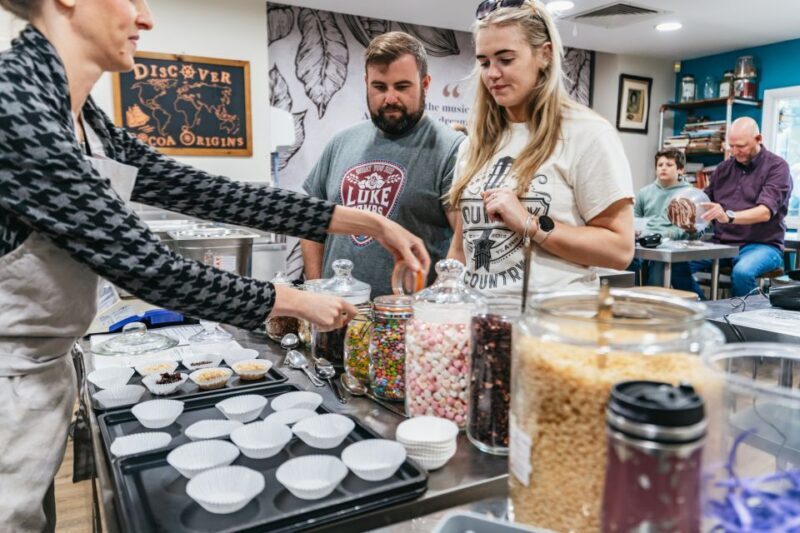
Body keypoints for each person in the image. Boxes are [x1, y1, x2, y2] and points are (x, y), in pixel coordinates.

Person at [0, 2, 429, 530]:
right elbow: (146, 265)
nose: (146, 18)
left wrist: (368, 222)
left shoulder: (81, 118)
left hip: (35, 379)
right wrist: (293, 300)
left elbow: (209, 193)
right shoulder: (14, 103)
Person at [447, 0, 634, 303]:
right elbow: (460, 247)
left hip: (554, 328)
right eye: (484, 62)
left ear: (544, 55)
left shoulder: (586, 134)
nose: (492, 73)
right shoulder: (475, 143)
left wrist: (529, 223)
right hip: (482, 326)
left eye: (505, 59)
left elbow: (620, 250)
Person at [301, 31, 464, 297]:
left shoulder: (452, 149)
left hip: (406, 321)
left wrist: (433, 312)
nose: (390, 98)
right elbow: (310, 223)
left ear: (425, 83)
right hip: (334, 317)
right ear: (366, 83)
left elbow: (462, 246)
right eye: (379, 87)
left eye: (402, 87)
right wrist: (316, 288)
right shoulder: (340, 143)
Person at [672, 117, 793, 298]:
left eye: (741, 146)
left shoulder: (777, 167)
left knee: (742, 273)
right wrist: (685, 209)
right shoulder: (723, 168)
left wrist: (728, 216)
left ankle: (746, 324)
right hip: (722, 243)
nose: (735, 151)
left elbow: (764, 212)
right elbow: (705, 202)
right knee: (676, 264)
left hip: (763, 245)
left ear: (758, 139)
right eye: (731, 146)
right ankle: (706, 312)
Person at [629, 148, 695, 286]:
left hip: (671, 245)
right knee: (626, 258)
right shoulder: (645, 192)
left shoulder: (689, 194)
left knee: (659, 263)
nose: (663, 168)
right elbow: (634, 220)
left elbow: (692, 229)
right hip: (644, 241)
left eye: (669, 165)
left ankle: (653, 300)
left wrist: (666, 234)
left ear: (680, 170)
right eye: (660, 165)